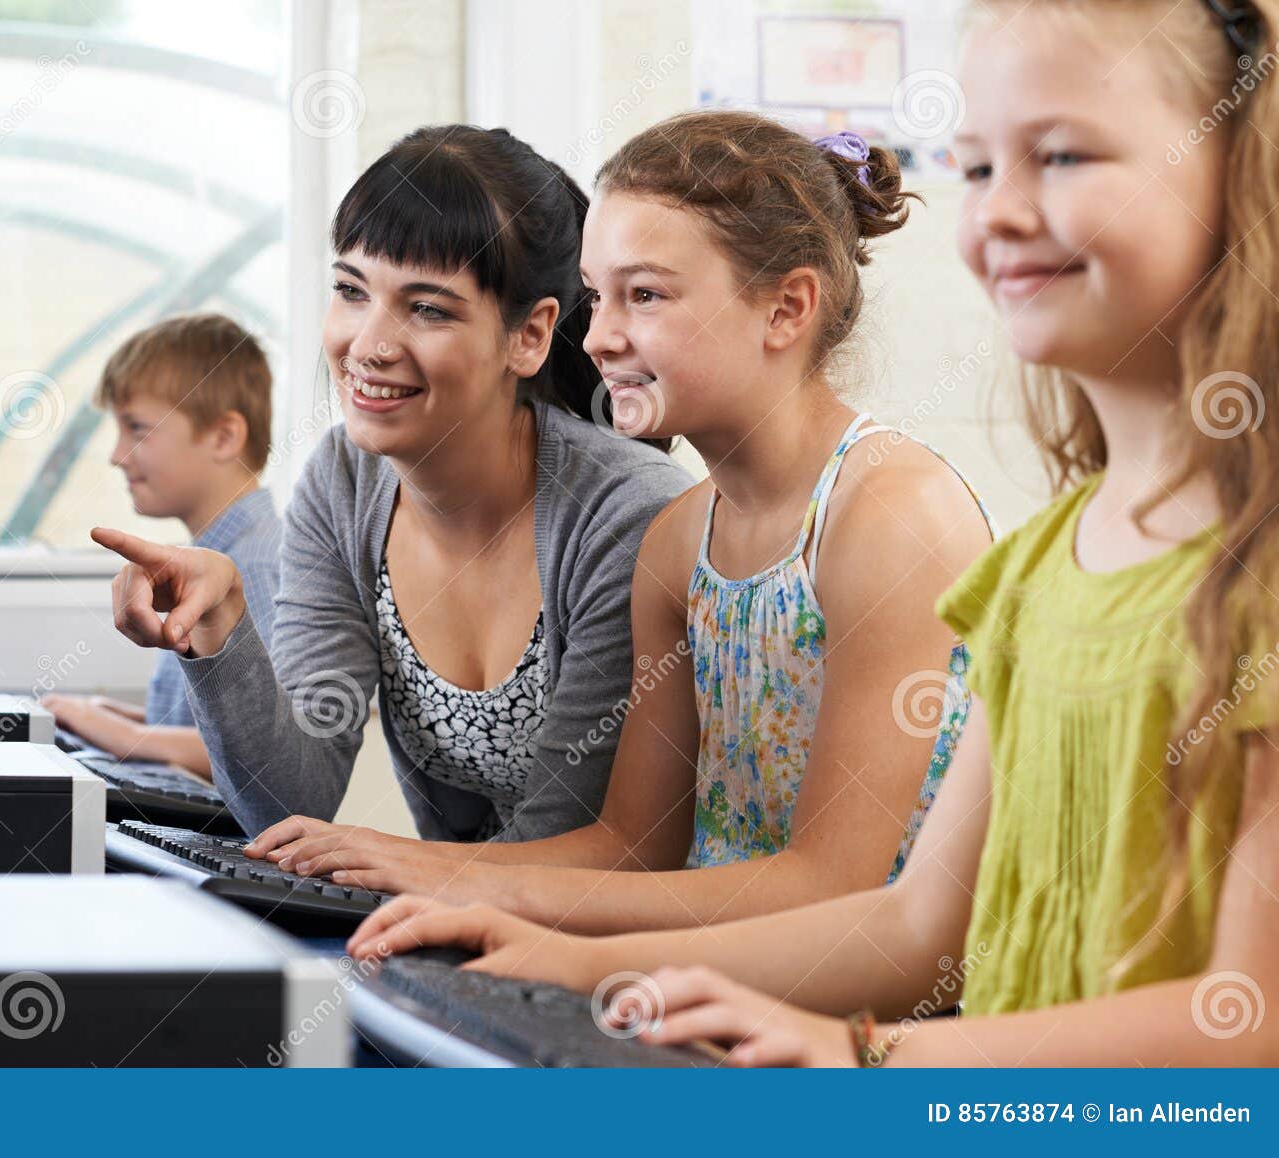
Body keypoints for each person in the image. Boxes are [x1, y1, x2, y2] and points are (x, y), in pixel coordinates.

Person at [351, 0, 1279, 1067]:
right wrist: (561, 960)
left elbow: (1245, 1021)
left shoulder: (935, 522)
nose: (1000, 210)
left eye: (1062, 156)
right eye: (977, 168)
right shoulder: (1038, 565)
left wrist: (863, 1056)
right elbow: (915, 929)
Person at [248, 109, 994, 936]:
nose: (598, 338)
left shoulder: (889, 516)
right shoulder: (675, 542)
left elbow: (831, 892)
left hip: (882, 1000)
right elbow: (629, 850)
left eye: (644, 296)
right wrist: (425, 877)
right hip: (713, 975)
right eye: (596, 297)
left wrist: (454, 882)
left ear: (787, 309)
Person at [95, 125, 692, 841]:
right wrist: (220, 631)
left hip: (619, 913)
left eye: (428, 308)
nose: (369, 345)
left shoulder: (625, 516)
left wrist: (383, 862)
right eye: (351, 291)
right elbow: (288, 802)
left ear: (529, 335)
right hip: (453, 904)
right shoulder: (343, 483)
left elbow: (570, 845)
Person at [43, 313, 280, 777]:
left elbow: (260, 753)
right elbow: (206, 725)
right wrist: (108, 717)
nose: (117, 455)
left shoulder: (256, 566)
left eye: (136, 428)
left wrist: (120, 735)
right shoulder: (222, 553)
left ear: (223, 437)